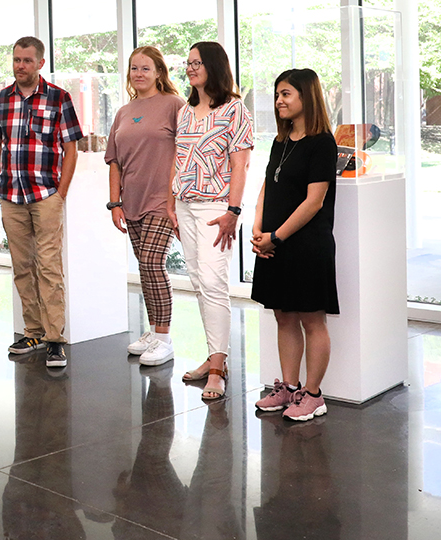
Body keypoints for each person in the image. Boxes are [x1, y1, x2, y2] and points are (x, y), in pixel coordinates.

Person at [0, 36, 83, 369]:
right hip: (11, 195)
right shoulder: (1, 99)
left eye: (27, 60)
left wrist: (61, 191)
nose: (20, 66)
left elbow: (71, 149)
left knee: (49, 267)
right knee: (22, 267)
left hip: (46, 195)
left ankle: (56, 339)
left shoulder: (59, 98)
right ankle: (34, 332)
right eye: (16, 60)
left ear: (40, 63)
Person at [251, 68, 338, 422]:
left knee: (311, 320)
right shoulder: (280, 141)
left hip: (305, 245)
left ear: (306, 97)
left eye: (286, 94)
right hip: (273, 242)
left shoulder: (322, 143)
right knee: (283, 316)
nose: (279, 101)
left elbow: (314, 201)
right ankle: (288, 388)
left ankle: (314, 396)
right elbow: (267, 187)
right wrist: (258, 228)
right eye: (277, 94)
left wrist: (277, 236)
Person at [173, 41, 253, 400]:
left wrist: (232, 212)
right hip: (185, 205)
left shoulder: (234, 109)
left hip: (215, 207)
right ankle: (213, 355)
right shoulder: (185, 111)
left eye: (197, 63)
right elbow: (177, 161)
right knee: (198, 282)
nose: (190, 69)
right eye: (188, 63)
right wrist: (171, 204)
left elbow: (241, 164)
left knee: (214, 282)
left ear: (214, 66)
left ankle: (218, 369)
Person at [105, 46, 186, 366]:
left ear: (159, 73)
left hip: (162, 201)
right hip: (132, 201)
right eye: (134, 68)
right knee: (145, 267)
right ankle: (154, 331)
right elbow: (114, 162)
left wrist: (175, 199)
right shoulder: (124, 112)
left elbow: (185, 152)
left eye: (145, 69)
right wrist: (115, 202)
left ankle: (164, 338)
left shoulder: (174, 105)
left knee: (153, 263)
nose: (139, 74)